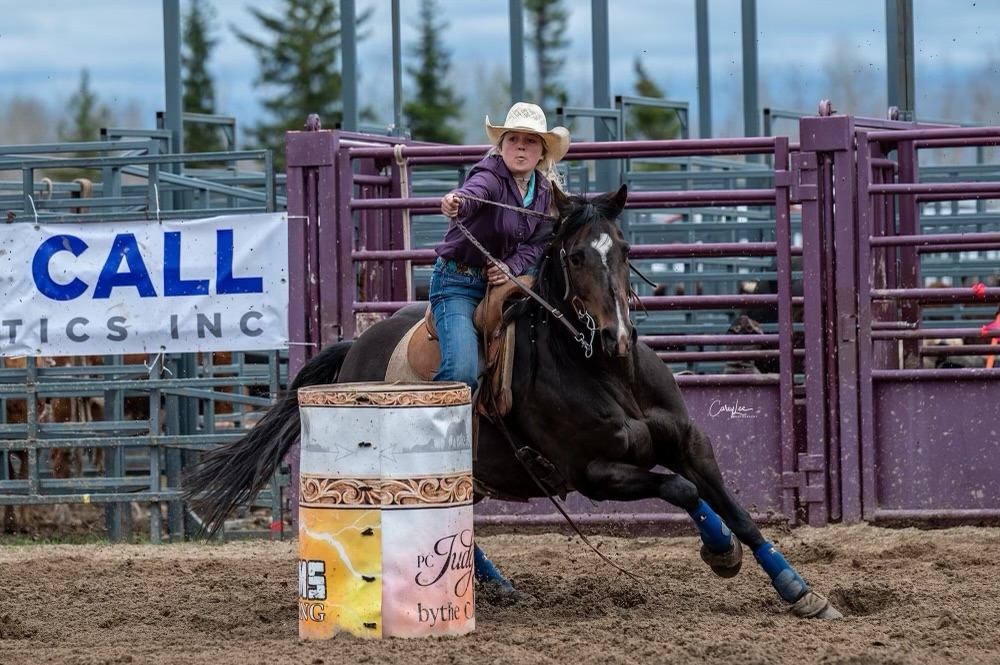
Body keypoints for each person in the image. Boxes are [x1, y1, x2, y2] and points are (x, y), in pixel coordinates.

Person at [433, 102, 571, 394]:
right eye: (513, 140)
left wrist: (510, 266)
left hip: (505, 284)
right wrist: (456, 200)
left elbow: (538, 243)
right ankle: (440, 434)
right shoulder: (490, 176)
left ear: (542, 151)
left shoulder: (544, 192)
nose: (520, 148)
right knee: (461, 372)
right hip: (458, 282)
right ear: (502, 145)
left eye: (530, 141)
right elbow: (473, 194)